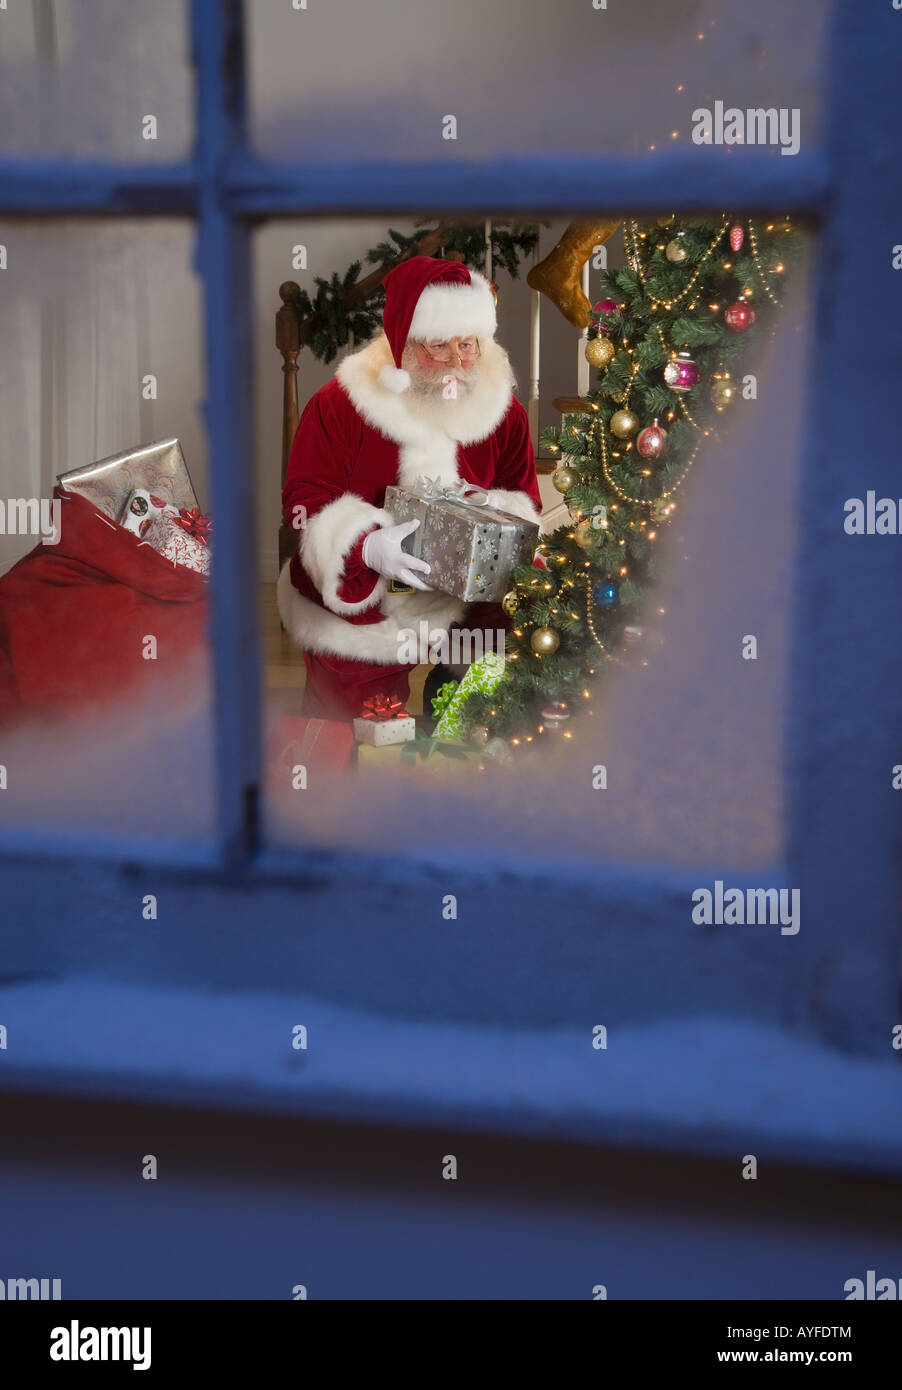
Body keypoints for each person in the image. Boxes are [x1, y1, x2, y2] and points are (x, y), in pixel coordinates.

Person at [279, 255, 542, 719]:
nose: (458, 362)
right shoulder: (338, 407)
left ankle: (453, 749)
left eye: (468, 344)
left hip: (469, 598)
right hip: (368, 599)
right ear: (403, 341)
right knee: (354, 728)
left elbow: (525, 499)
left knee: (485, 699)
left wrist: (494, 513)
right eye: (439, 346)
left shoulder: (504, 412)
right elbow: (305, 504)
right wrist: (364, 545)